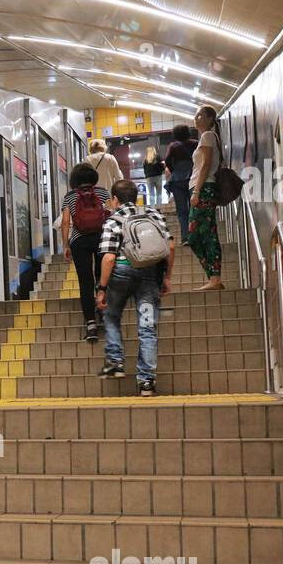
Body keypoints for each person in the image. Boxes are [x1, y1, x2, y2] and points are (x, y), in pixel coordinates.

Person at [96, 179, 174, 397]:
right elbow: (171, 246)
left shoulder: (113, 220)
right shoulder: (153, 214)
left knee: (111, 316)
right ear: (136, 196)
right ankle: (146, 382)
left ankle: (116, 363)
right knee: (147, 327)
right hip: (150, 276)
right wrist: (166, 277)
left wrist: (102, 288)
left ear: (115, 199)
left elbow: (109, 259)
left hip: (121, 275)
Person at [53, 161, 113, 342]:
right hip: (102, 239)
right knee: (101, 277)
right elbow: (111, 214)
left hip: (79, 241)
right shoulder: (102, 192)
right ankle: (103, 311)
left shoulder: (70, 196)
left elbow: (65, 222)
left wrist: (65, 245)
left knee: (85, 281)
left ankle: (91, 324)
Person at [187, 105, 225, 291]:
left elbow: (206, 165)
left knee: (206, 233)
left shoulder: (208, 136)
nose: (196, 117)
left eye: (200, 114)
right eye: (196, 114)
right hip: (200, 188)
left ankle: (215, 279)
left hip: (204, 189)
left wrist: (196, 191)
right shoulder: (204, 137)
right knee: (195, 236)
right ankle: (213, 277)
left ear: (210, 119)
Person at [163, 124, 196, 242]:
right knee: (194, 208)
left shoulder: (173, 146)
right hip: (194, 179)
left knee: (182, 211)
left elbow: (167, 162)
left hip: (177, 181)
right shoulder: (195, 144)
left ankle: (185, 237)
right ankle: (195, 235)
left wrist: (175, 171)